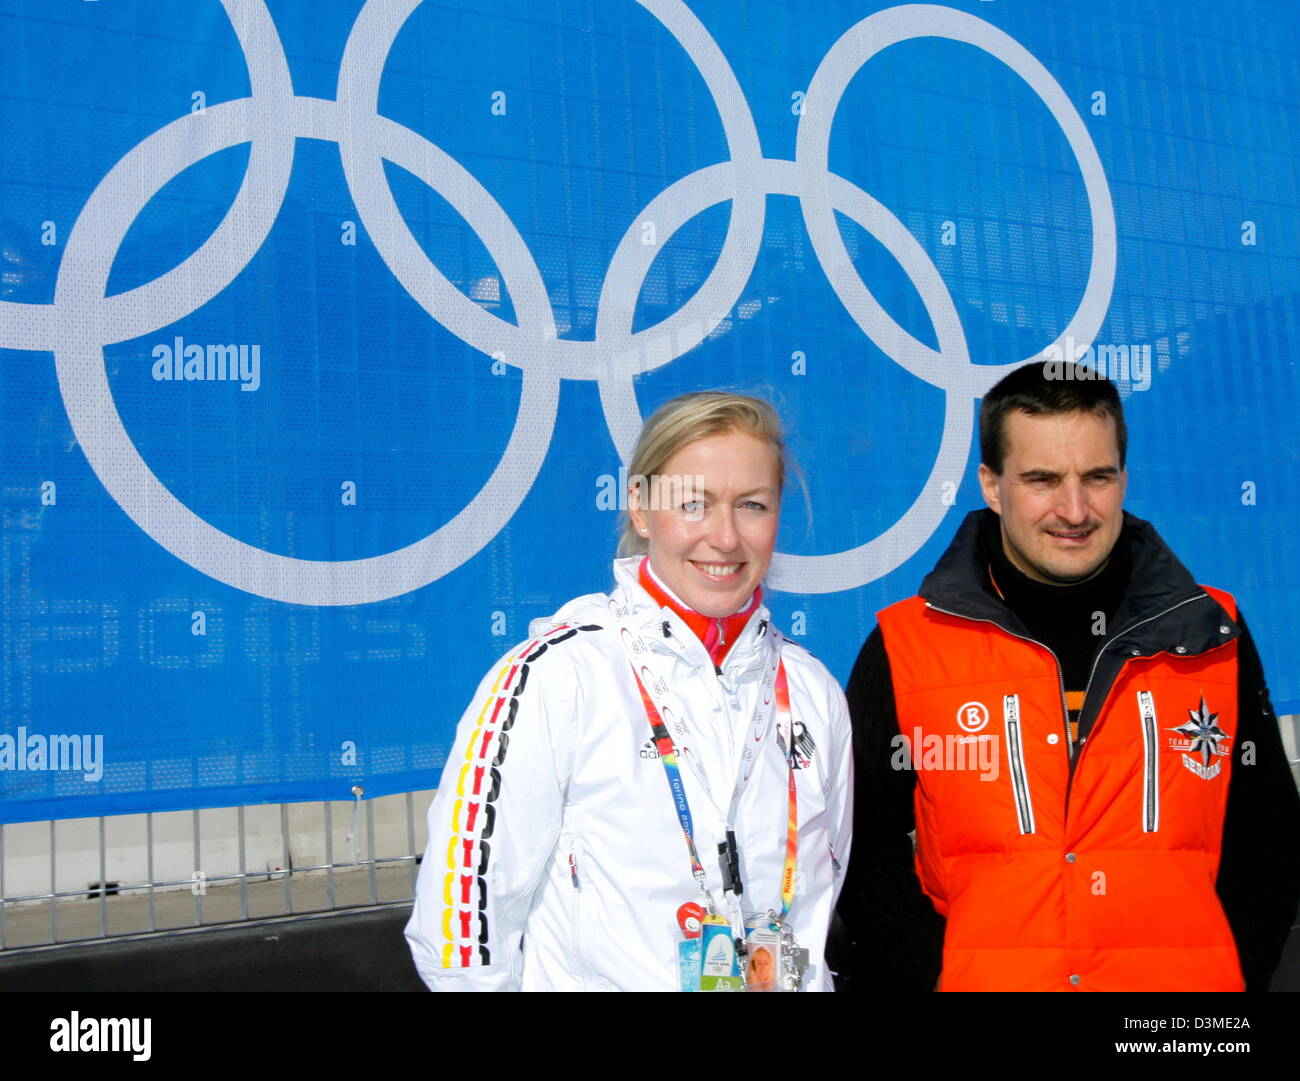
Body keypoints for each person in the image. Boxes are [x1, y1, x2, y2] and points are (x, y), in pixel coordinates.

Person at [834, 361, 1300, 992]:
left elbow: (1269, 841)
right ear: (992, 486)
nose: (1075, 509)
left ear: (1124, 478)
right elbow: (861, 862)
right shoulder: (908, 644)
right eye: (1043, 480)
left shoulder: (1210, 632)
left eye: (1097, 477)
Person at [405, 391, 852, 991]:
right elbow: (461, 933)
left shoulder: (811, 690)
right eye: (694, 503)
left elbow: (826, 881)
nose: (724, 538)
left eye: (751, 505)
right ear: (641, 509)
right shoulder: (557, 675)